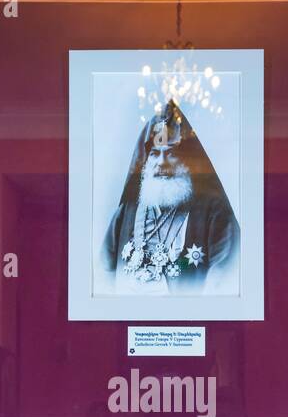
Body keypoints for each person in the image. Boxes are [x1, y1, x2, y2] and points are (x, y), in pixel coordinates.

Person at [99, 99, 240, 295]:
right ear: (146, 161)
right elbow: (102, 275)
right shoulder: (126, 212)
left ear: (188, 161)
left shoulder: (216, 215)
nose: (161, 163)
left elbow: (225, 282)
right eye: (155, 153)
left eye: (172, 153)